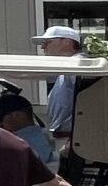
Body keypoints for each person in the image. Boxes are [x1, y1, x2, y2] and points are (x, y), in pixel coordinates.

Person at [34, 24, 84, 154]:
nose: (43, 47)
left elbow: (34, 72)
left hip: (72, 138)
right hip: (66, 137)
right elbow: (34, 73)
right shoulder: (64, 67)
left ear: (66, 42)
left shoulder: (77, 64)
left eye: (47, 42)